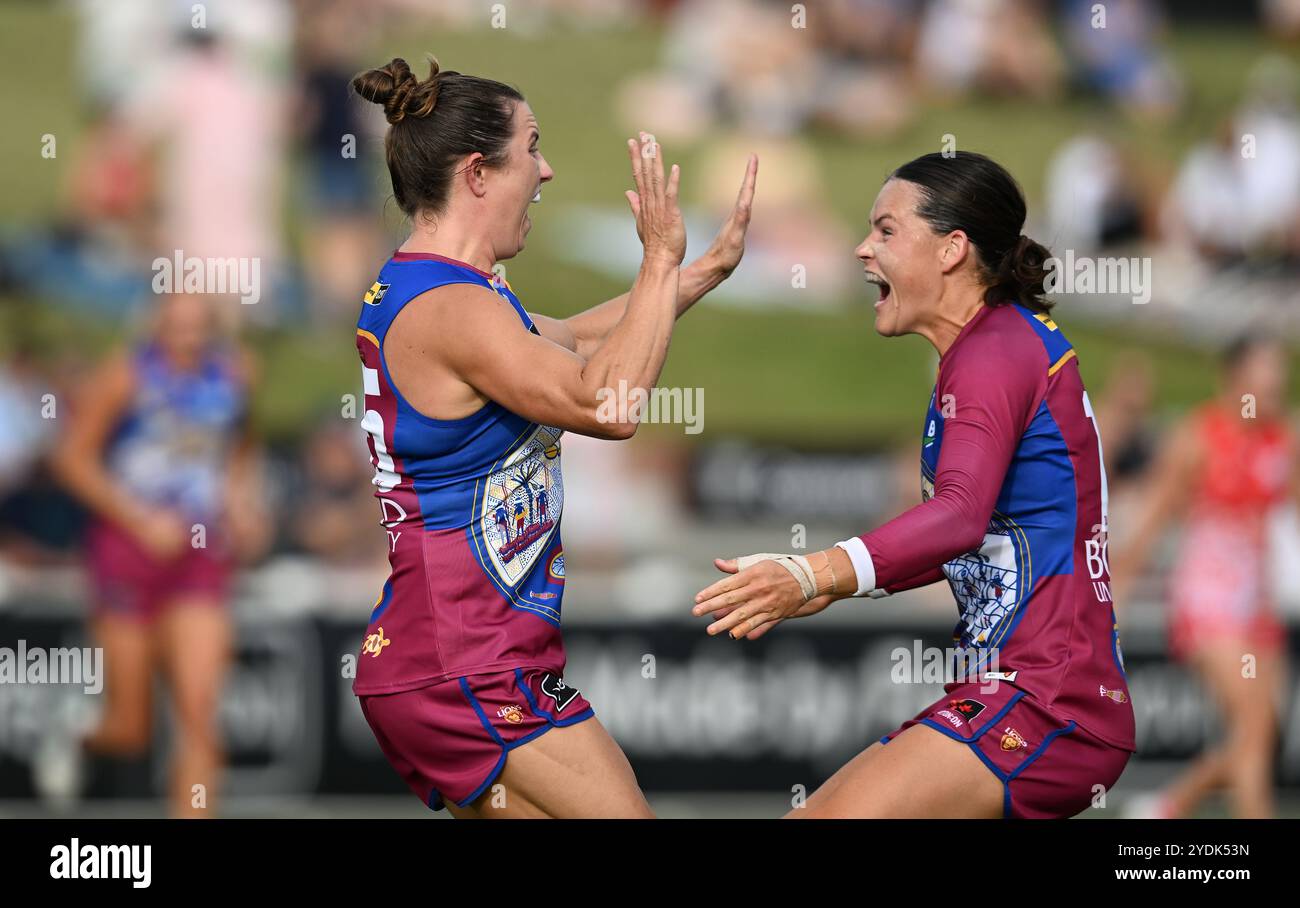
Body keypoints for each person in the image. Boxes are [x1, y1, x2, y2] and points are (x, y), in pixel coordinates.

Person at [350, 57, 757, 818]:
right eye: (531, 147)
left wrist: (701, 271)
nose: (546, 170)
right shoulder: (452, 309)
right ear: (478, 173)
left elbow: (577, 338)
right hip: (466, 661)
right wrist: (658, 258)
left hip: (455, 656)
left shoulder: (444, 290)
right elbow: (608, 404)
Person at [694, 151, 1134, 819]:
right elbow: (980, 536)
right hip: (1027, 691)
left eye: (886, 230)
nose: (862, 248)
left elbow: (959, 517)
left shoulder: (993, 352)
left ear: (952, 249)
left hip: (1046, 699)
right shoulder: (996, 346)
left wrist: (816, 573)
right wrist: (828, 584)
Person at [52, 293, 267, 816]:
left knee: (198, 713)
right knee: (131, 726)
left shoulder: (234, 375)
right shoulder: (125, 375)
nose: (186, 339)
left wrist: (242, 505)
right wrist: (138, 519)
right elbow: (72, 459)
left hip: (200, 554)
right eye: (176, 327)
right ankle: (73, 740)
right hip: (128, 550)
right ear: (156, 327)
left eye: (197, 328)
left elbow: (237, 449)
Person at [1113, 336, 1295, 818]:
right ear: (1235, 379)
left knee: (1259, 734)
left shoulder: (1282, 441)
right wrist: (1117, 591)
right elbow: (1155, 519)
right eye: (1267, 372)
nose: (1277, 384)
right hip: (1209, 604)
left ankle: (1167, 806)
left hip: (1260, 608)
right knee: (1253, 723)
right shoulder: (1199, 437)